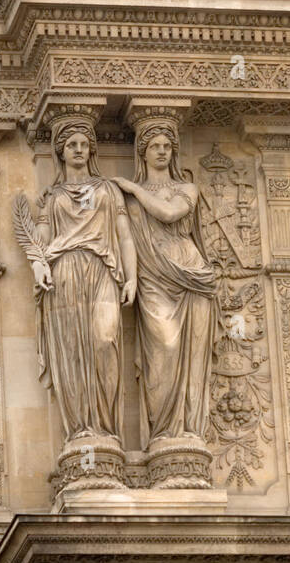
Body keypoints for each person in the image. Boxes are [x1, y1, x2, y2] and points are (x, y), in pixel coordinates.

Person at [111, 118, 219, 447]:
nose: (161, 151)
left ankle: (186, 432)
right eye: (155, 146)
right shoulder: (126, 201)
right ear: (142, 152)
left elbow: (170, 214)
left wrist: (133, 189)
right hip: (153, 279)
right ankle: (163, 434)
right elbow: (122, 238)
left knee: (193, 359)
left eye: (167, 146)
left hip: (191, 276)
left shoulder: (185, 189)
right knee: (164, 350)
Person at [31, 118, 136, 442]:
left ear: (91, 149)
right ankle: (82, 430)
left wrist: (131, 278)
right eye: (71, 145)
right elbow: (43, 237)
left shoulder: (108, 190)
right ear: (61, 152)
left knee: (105, 342)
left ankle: (105, 427)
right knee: (72, 350)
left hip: (102, 268)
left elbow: (125, 236)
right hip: (64, 271)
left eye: (83, 144)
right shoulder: (53, 196)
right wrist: (38, 264)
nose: (78, 149)